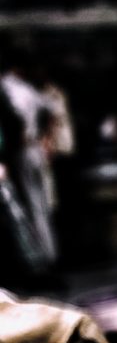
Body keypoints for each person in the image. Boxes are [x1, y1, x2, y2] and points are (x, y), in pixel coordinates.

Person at [2, 46, 58, 270]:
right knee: (39, 207)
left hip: (24, 152)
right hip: (33, 149)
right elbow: (51, 110)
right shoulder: (22, 87)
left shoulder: (9, 88)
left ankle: (42, 261)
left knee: (32, 208)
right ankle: (47, 257)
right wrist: (46, 139)